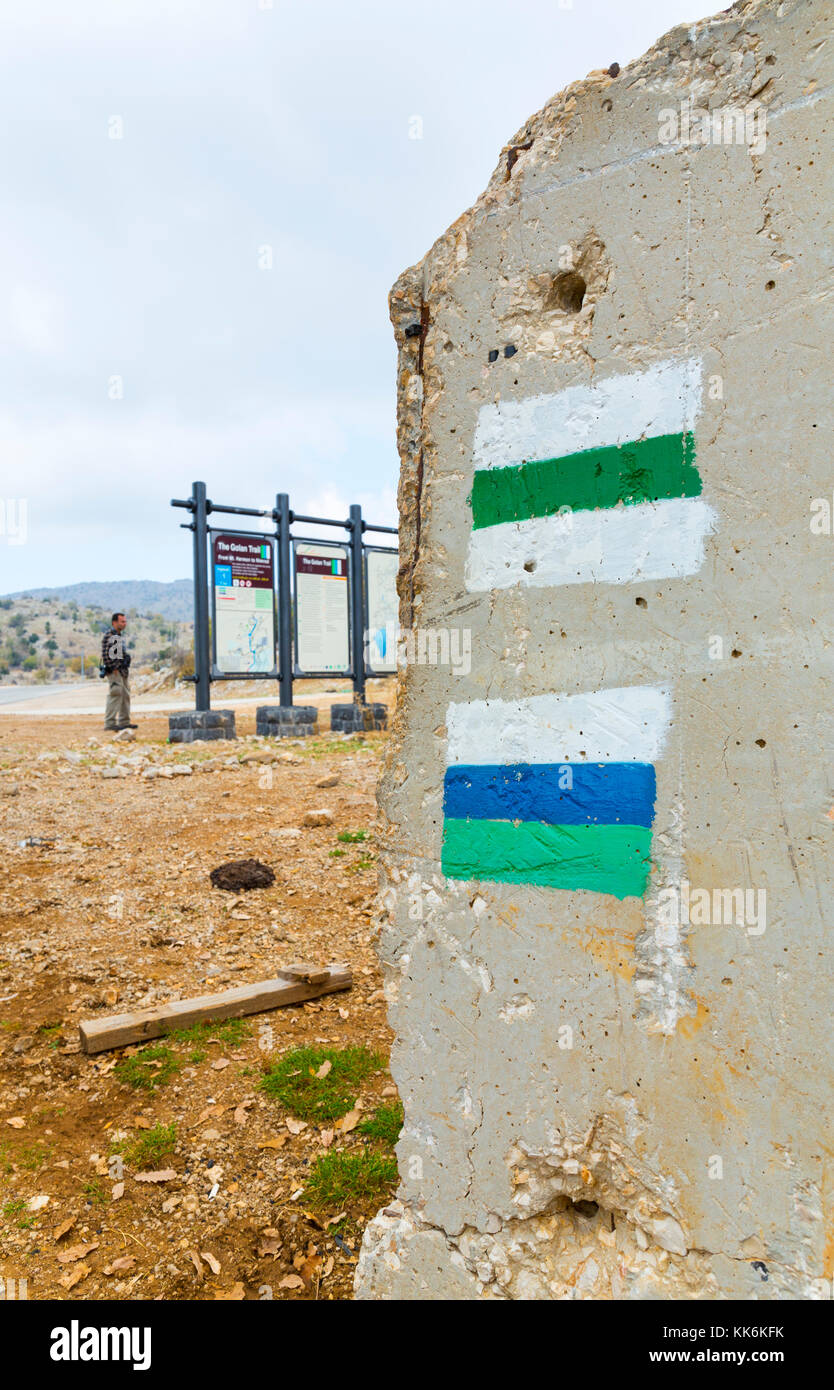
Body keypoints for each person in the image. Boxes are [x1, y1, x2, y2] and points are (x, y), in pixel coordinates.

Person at [101, 612, 137, 732]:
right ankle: (110, 723)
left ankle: (124, 721)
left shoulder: (118, 636)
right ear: (114, 622)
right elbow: (107, 656)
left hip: (122, 671)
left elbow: (117, 654)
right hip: (115, 671)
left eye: (125, 621)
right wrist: (114, 668)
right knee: (115, 694)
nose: (124, 623)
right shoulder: (112, 636)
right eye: (122, 621)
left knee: (125, 695)